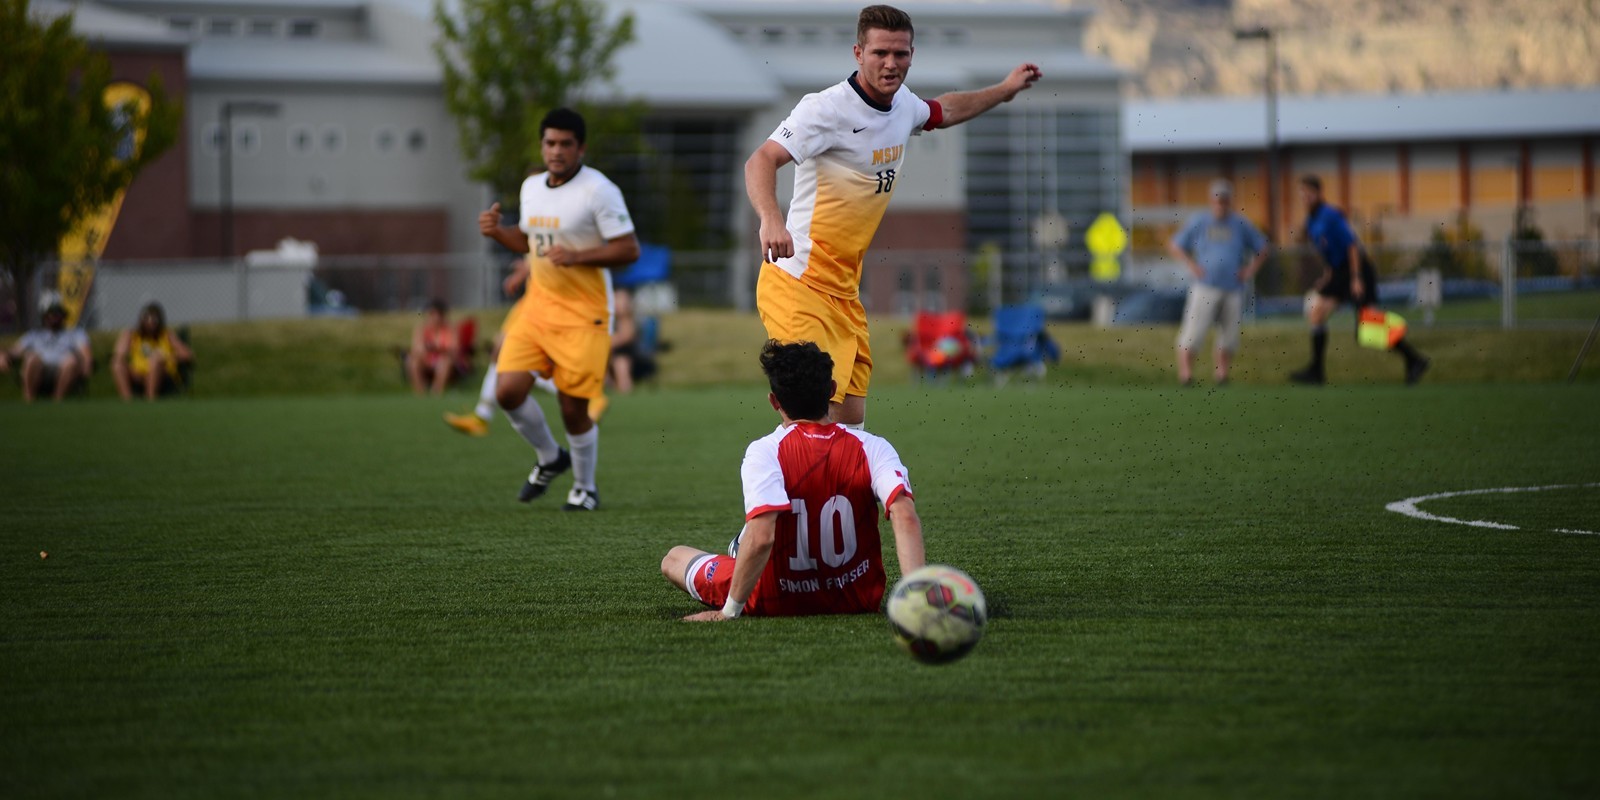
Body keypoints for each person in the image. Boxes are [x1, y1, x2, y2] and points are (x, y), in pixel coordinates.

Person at [746, 4, 1041, 429]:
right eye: (880, 52)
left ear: (911, 55)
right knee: (810, 418)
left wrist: (1005, 89)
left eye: (900, 54)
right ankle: (773, 493)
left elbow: (945, 110)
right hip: (796, 284)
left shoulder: (903, 106)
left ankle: (846, 498)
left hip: (844, 296)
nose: (891, 63)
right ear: (858, 53)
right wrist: (770, 219)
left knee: (850, 426)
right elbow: (761, 160)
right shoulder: (825, 109)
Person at [661, 340, 925, 621]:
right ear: (832, 391)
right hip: (857, 597)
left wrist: (728, 613)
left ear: (774, 401)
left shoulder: (765, 451)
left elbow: (762, 536)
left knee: (674, 558)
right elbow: (905, 516)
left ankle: (741, 558)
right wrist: (920, 601)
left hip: (774, 599)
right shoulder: (873, 447)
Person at [476, 107, 640, 510]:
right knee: (507, 391)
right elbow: (530, 242)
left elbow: (628, 249)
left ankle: (585, 488)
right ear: (542, 146)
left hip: (586, 314)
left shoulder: (598, 190)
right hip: (537, 308)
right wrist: (500, 233)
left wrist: (580, 255)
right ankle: (550, 457)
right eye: (550, 142)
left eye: (566, 143)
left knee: (572, 407)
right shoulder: (531, 186)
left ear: (580, 148)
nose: (557, 150)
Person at [443, 260, 609, 437]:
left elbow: (550, 248)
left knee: (506, 352)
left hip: (545, 298)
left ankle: (483, 417)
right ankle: (482, 415)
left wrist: (524, 270)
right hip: (536, 294)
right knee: (506, 355)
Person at [1290, 175, 1430, 385]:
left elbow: (1352, 246)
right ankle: (1316, 372)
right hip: (1338, 272)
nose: (1305, 197)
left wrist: (1356, 278)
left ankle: (1414, 358)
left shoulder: (1331, 215)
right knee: (1317, 313)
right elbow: (1327, 251)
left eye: (1309, 193)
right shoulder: (1310, 221)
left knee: (1366, 328)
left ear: (1319, 193)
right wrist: (1327, 277)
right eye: (1302, 193)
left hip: (1357, 270)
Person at [1168, 179, 1270, 386]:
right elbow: (1175, 245)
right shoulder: (1200, 222)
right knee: (1193, 332)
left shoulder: (1240, 224)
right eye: (1217, 200)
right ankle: (1186, 374)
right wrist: (1192, 265)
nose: (1220, 204)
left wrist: (1250, 270)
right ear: (1211, 200)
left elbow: (1263, 247)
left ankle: (1222, 374)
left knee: (1228, 336)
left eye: (1224, 200)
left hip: (1233, 287)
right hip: (1205, 285)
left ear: (1230, 201)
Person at [1, 300, 92, 402]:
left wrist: (87, 363)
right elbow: (15, 351)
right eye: (51, 314)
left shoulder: (74, 333)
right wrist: (4, 356)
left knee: (71, 361)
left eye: (57, 314)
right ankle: (29, 400)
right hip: (40, 367)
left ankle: (57, 400)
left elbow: (85, 352)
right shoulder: (33, 335)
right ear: (44, 316)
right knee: (32, 359)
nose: (54, 317)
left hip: (62, 367)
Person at [112, 301, 193, 401]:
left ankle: (150, 399)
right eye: (147, 318)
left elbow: (187, 354)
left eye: (154, 319)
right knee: (117, 365)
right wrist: (126, 336)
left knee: (155, 361)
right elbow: (119, 354)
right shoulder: (134, 335)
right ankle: (127, 401)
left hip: (161, 372)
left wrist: (165, 357)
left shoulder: (166, 335)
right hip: (138, 372)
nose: (151, 322)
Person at [404, 298, 465, 396]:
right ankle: (420, 393)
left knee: (445, 362)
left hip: (444, 361)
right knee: (412, 362)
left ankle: (436, 393)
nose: (435, 318)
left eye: (438, 314)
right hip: (426, 360)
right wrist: (425, 349)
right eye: (432, 314)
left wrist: (438, 349)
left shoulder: (451, 329)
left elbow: (454, 349)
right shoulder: (421, 329)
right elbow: (416, 348)